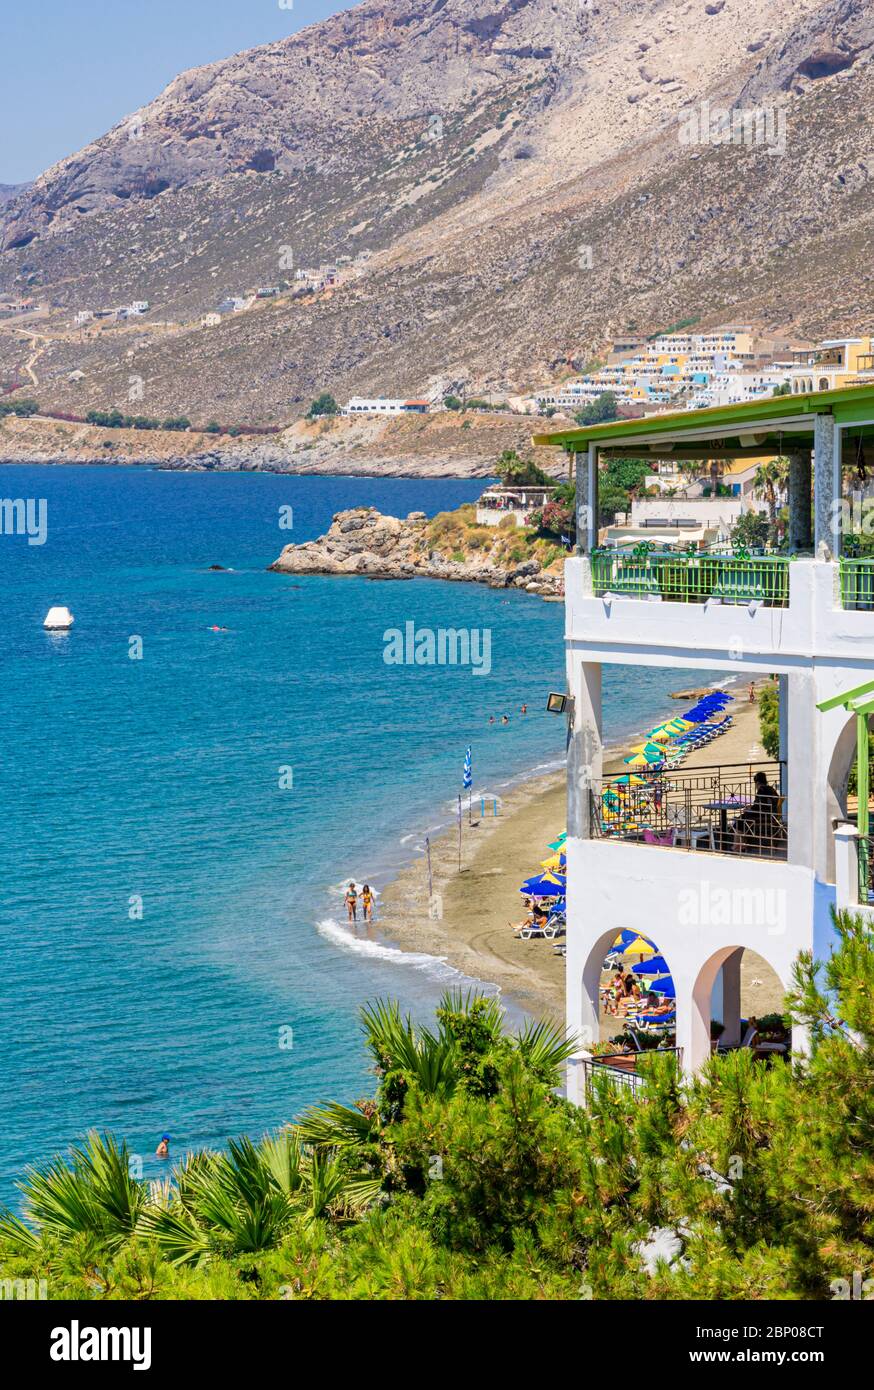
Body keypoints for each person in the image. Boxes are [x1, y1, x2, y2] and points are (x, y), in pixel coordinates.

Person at [732, 770, 780, 853]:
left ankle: (736, 847)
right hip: (772, 816)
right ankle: (742, 846)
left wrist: (749, 809)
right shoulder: (771, 789)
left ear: (757, 782)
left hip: (764, 817)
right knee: (742, 819)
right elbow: (762, 804)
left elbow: (758, 807)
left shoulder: (761, 790)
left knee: (739, 821)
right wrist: (751, 807)